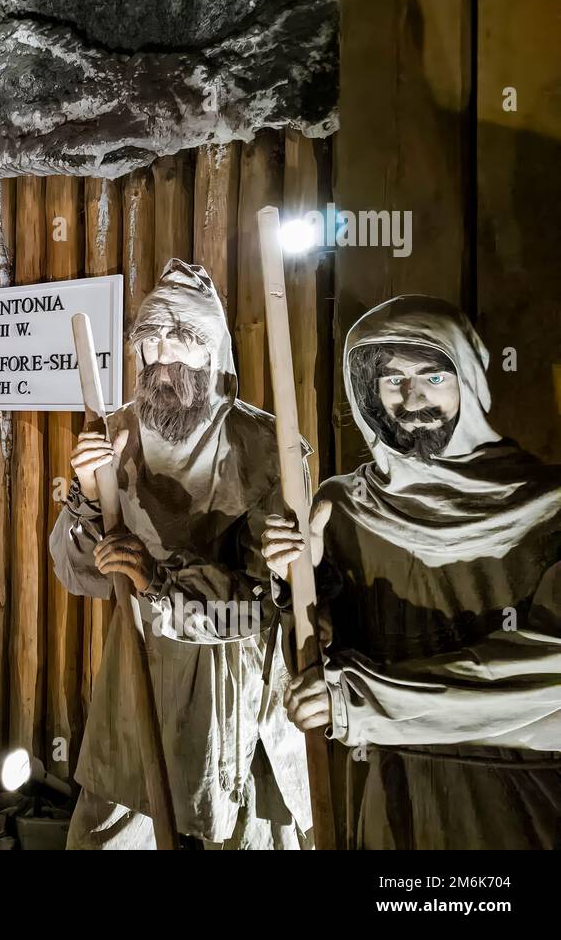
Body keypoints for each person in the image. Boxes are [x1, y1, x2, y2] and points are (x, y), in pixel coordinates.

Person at [263, 295, 561, 849]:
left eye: (433, 375)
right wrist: (299, 584)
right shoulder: (344, 508)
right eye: (391, 380)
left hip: (520, 797)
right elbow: (318, 660)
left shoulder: (549, 504)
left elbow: (549, 674)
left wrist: (366, 702)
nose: (412, 396)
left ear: (468, 378)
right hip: (392, 790)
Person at [51, 259, 311, 849]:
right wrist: (90, 501)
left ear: (212, 350)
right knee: (111, 830)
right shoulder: (115, 431)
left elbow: (263, 604)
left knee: (239, 831)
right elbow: (78, 574)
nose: (163, 355)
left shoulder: (266, 448)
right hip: (138, 669)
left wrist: (159, 583)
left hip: (235, 689)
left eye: (182, 338)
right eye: (151, 339)